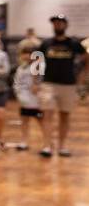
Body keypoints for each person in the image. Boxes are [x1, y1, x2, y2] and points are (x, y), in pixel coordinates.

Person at [37, 14, 86, 156]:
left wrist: (81, 78)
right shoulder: (46, 43)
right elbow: (36, 61)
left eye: (60, 23)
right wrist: (36, 81)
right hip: (49, 83)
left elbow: (86, 59)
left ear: (65, 25)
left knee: (65, 115)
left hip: (68, 84)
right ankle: (47, 146)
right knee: (47, 115)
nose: (57, 25)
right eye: (55, 23)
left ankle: (62, 146)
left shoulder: (74, 44)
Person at [12, 44, 49, 152]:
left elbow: (40, 82)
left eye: (29, 53)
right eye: (24, 53)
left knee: (41, 121)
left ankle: (47, 143)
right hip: (24, 99)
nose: (27, 56)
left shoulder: (40, 66)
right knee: (24, 121)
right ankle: (24, 141)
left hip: (36, 100)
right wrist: (18, 93)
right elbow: (17, 82)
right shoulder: (21, 67)